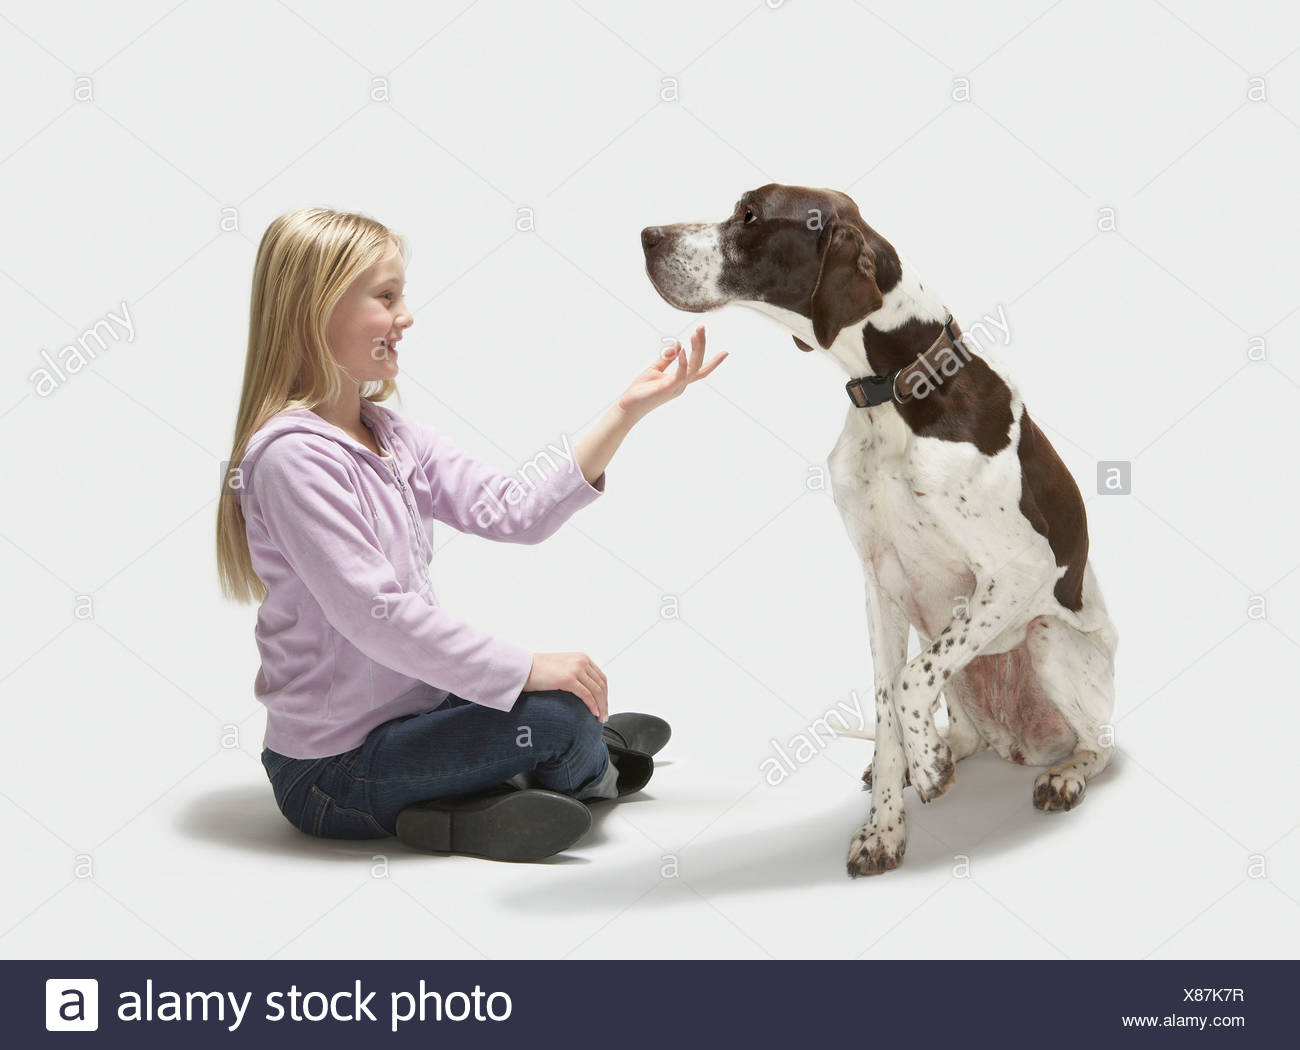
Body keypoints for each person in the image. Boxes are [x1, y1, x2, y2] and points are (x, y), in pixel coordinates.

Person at [215, 207, 725, 862]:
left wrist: (627, 411)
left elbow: (516, 511)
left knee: (552, 704)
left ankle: (514, 776)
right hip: (333, 774)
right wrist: (527, 668)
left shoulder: (392, 436)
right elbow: (377, 617)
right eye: (387, 297)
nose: (406, 317)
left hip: (413, 716)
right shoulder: (291, 458)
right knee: (561, 716)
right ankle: (591, 766)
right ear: (320, 308)